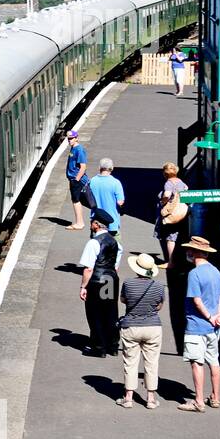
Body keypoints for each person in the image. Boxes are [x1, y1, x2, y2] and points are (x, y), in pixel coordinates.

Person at [178, 236, 220, 412]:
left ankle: (198, 401)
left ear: (195, 252)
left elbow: (197, 301)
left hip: (197, 325)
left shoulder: (194, 274)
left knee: (196, 362)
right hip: (214, 328)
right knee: (214, 361)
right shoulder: (216, 272)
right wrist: (219, 315)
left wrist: (209, 316)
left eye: (189, 249)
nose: (187, 252)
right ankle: (215, 397)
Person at [117, 253, 165, 408]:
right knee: (152, 363)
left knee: (130, 362)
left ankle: (128, 398)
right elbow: (159, 306)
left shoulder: (128, 283)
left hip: (131, 325)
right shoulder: (159, 286)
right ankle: (151, 399)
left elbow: (123, 300)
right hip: (153, 326)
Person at [78, 208, 122, 356]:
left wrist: (83, 286)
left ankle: (98, 347)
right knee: (111, 311)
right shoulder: (115, 242)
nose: (91, 224)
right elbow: (115, 266)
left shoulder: (93, 242)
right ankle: (113, 345)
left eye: (92, 222)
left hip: (97, 281)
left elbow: (88, 268)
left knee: (95, 313)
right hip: (111, 280)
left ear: (96, 224)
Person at [155, 161, 189, 267]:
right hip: (181, 213)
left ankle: (171, 262)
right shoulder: (181, 182)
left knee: (170, 238)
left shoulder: (169, 183)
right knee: (179, 236)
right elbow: (186, 190)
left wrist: (163, 202)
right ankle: (181, 260)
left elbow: (167, 194)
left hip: (172, 214)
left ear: (165, 173)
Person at [88, 158, 126, 234]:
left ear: (99, 167)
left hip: (96, 221)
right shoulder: (116, 183)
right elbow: (120, 202)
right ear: (112, 168)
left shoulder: (92, 181)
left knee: (96, 240)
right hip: (111, 221)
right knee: (114, 240)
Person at [64, 129, 90, 230]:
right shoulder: (73, 148)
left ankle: (80, 223)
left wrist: (76, 179)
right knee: (75, 200)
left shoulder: (79, 150)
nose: (69, 140)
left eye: (71, 138)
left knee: (76, 201)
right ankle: (79, 222)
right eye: (68, 138)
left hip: (76, 179)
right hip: (73, 178)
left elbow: (83, 166)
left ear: (76, 138)